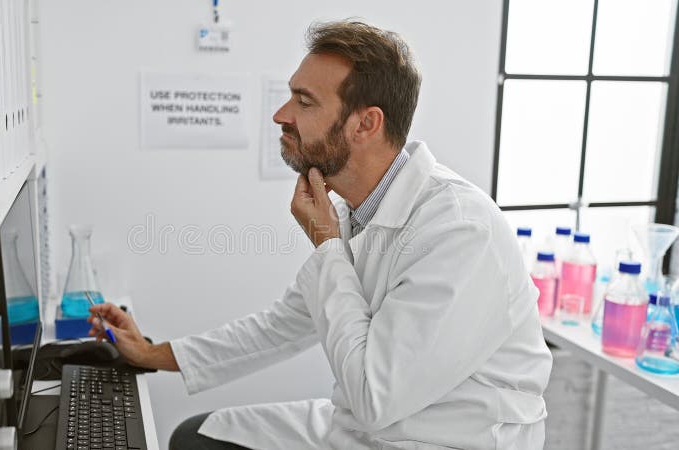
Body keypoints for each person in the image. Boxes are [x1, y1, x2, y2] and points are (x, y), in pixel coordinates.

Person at [89, 20, 553, 450]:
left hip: (442, 439)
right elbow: (280, 326)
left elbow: (376, 398)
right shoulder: (359, 211)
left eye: (304, 102)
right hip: (360, 428)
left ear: (365, 124)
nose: (280, 114)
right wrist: (151, 353)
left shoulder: (460, 231)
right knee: (196, 437)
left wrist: (328, 246)